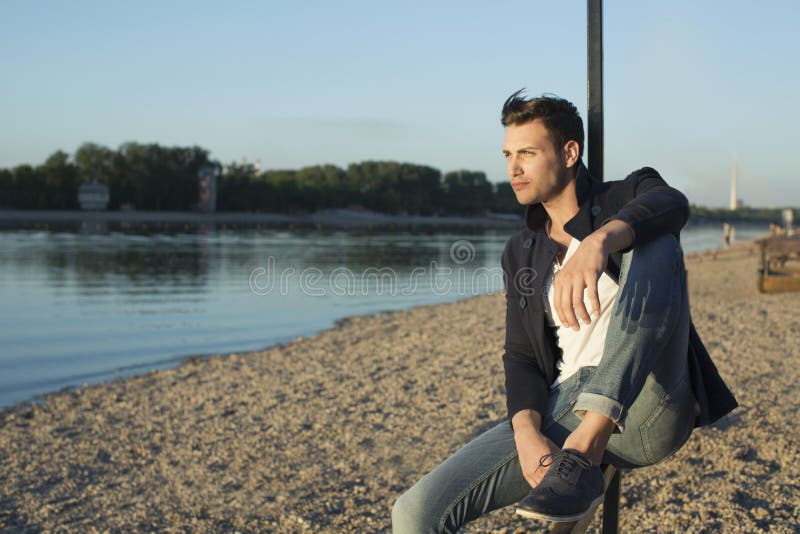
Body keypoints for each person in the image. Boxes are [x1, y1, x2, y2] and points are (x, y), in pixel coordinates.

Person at [391, 91, 738, 533]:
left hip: (648, 400)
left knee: (657, 239)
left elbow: (672, 204)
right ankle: (576, 453)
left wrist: (601, 240)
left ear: (570, 152)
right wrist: (526, 432)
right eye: (508, 155)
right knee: (413, 513)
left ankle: (589, 442)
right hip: (565, 401)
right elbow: (521, 355)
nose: (512, 169)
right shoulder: (521, 250)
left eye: (527, 154)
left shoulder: (625, 195)